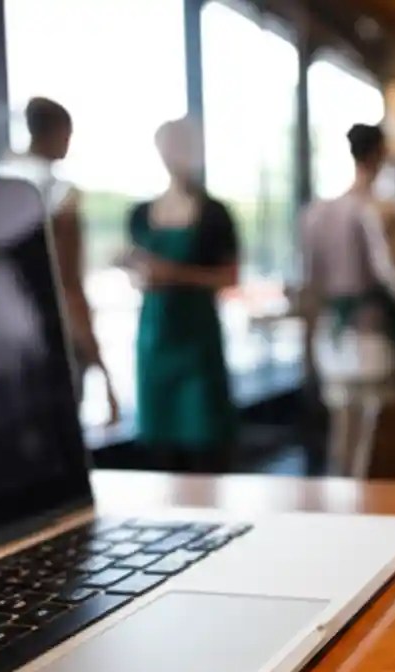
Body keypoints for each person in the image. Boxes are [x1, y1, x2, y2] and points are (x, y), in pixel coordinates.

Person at [0, 97, 119, 424]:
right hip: (45, 340)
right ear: (60, 132)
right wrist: (102, 369)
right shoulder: (59, 192)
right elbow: (68, 285)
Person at [125, 118, 239, 472]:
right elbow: (137, 275)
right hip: (155, 338)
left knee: (204, 439)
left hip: (197, 339)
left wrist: (173, 274)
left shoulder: (215, 214)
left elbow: (229, 278)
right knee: (158, 445)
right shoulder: (140, 214)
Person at [301, 124, 395, 396]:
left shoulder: (317, 213)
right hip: (372, 334)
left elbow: (310, 283)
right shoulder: (381, 210)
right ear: (380, 154)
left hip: (331, 335)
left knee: (343, 426)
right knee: (377, 427)